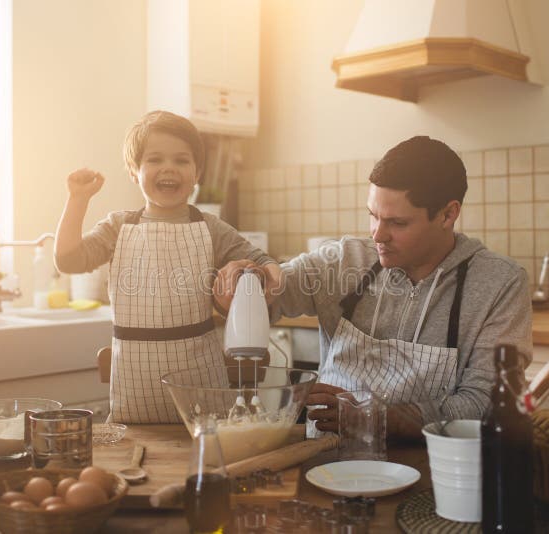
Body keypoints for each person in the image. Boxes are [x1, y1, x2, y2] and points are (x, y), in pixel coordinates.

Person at [215, 136, 532, 440]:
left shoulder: (500, 284)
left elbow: (488, 406)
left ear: (448, 214)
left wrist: (378, 417)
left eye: (398, 223)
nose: (378, 235)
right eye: (373, 216)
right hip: (327, 465)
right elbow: (277, 289)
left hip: (430, 472)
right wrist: (247, 283)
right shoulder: (343, 260)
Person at [55, 110, 279, 424]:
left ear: (197, 172)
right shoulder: (118, 227)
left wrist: (255, 274)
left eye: (181, 160)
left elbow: (265, 263)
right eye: (155, 159)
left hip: (203, 398)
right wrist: (77, 200)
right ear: (134, 171)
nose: (168, 168)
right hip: (133, 404)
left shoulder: (211, 229)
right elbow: (68, 260)